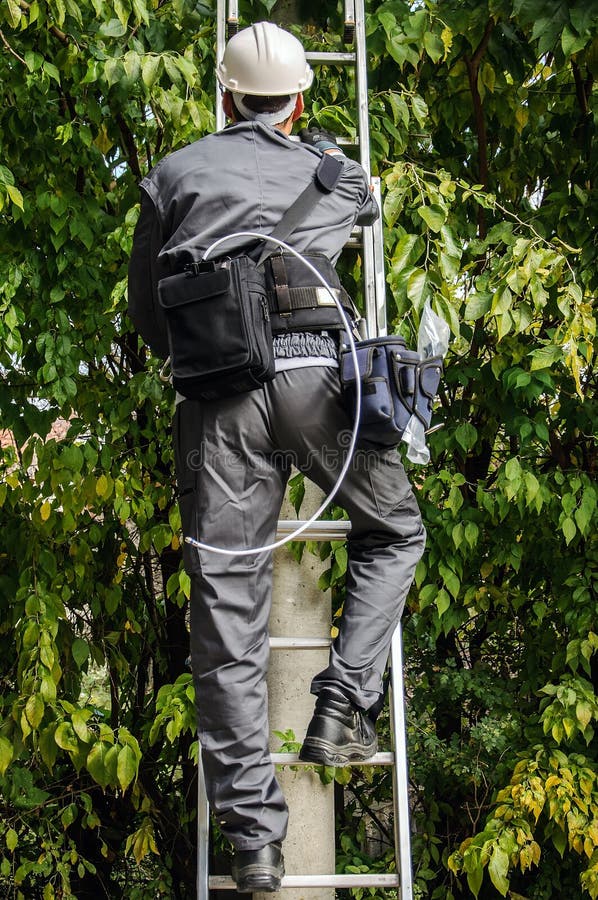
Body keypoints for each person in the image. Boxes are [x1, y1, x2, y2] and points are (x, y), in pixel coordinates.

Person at [128, 21, 426, 893]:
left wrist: (210, 359)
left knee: (227, 627)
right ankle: (341, 708)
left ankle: (255, 847)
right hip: (316, 388)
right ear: (297, 101)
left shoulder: (173, 175)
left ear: (224, 97)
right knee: (395, 531)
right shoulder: (337, 174)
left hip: (219, 409)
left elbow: (148, 312)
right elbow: (360, 202)